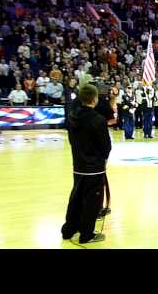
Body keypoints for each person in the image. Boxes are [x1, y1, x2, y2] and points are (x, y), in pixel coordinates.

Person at [61, 84, 111, 244]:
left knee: (76, 198)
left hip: (78, 164)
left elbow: (70, 141)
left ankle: (69, 229)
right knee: (92, 201)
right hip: (94, 167)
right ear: (94, 99)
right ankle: (86, 234)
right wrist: (102, 159)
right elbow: (106, 147)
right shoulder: (98, 120)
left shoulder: (72, 117)